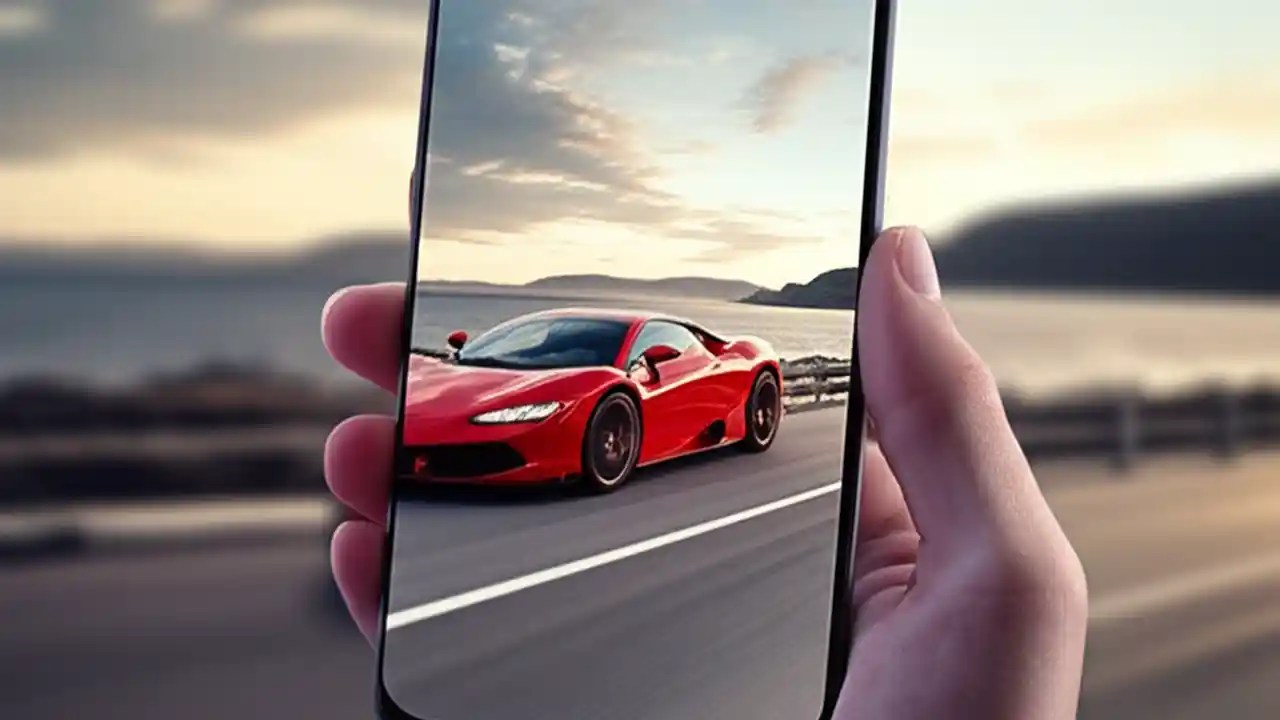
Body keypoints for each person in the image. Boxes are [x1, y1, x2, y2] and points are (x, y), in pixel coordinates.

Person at [320, 227, 1089, 719]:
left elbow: (623, 375)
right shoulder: (451, 363)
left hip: (657, 384)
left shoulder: (630, 371)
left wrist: (626, 376)